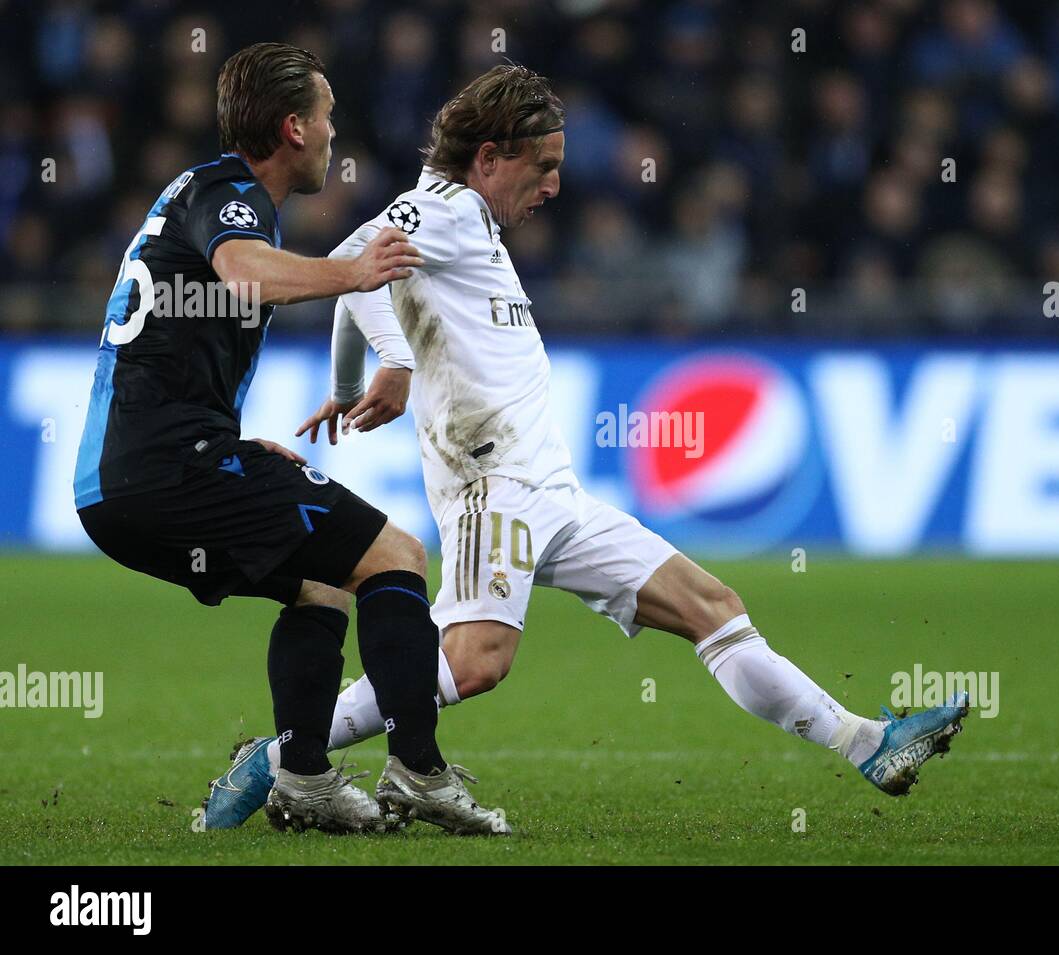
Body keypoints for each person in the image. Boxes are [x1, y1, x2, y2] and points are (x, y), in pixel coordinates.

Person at [206, 64, 968, 831]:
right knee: (475, 662)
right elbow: (356, 263)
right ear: (491, 157)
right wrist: (396, 365)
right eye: (544, 168)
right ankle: (279, 758)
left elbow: (359, 274)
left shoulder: (470, 219)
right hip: (492, 481)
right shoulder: (442, 210)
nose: (555, 186)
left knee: (713, 607)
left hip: (552, 492)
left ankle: (866, 742)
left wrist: (348, 383)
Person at [74, 42, 501, 836]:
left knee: (323, 581)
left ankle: (302, 774)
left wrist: (234, 445)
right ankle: (420, 770)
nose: (337, 135)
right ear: (294, 127)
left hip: (125, 481)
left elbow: (177, 341)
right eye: (329, 117)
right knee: (398, 556)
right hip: (166, 468)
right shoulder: (228, 193)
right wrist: (356, 272)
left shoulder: (198, 195)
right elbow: (243, 273)